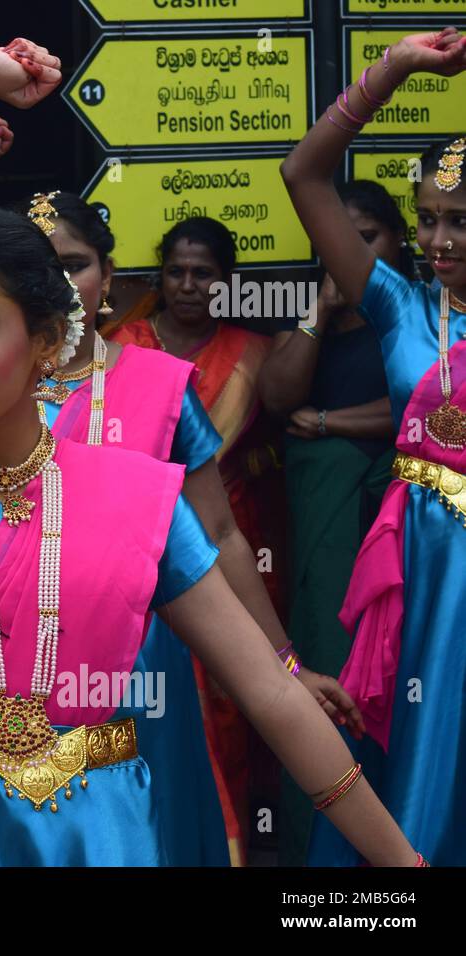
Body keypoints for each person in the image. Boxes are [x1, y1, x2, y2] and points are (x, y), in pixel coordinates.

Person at [0, 33, 423, 866]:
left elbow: (270, 696)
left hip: (101, 839)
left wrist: (401, 865)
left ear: (49, 342)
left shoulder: (138, 501)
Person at [279, 26, 466, 866]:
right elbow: (302, 174)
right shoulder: (398, 304)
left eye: (460, 221)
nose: (438, 242)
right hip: (422, 559)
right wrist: (389, 70)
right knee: (415, 734)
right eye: (427, 219)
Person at [109, 216, 284, 856]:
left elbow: (275, 439)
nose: (187, 284)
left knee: (232, 697)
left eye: (203, 273)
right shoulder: (123, 344)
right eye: (176, 271)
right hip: (138, 548)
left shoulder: (253, 352)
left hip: (226, 536)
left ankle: (229, 841)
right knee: (152, 700)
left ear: (226, 281)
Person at [257, 181, 405, 865]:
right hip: (329, 537)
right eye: (334, 242)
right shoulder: (309, 318)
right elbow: (278, 396)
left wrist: (328, 424)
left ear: (396, 243)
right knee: (328, 671)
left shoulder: (413, 319)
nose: (347, 253)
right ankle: (321, 859)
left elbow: (420, 410)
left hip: (407, 532)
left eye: (365, 238)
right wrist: (320, 309)